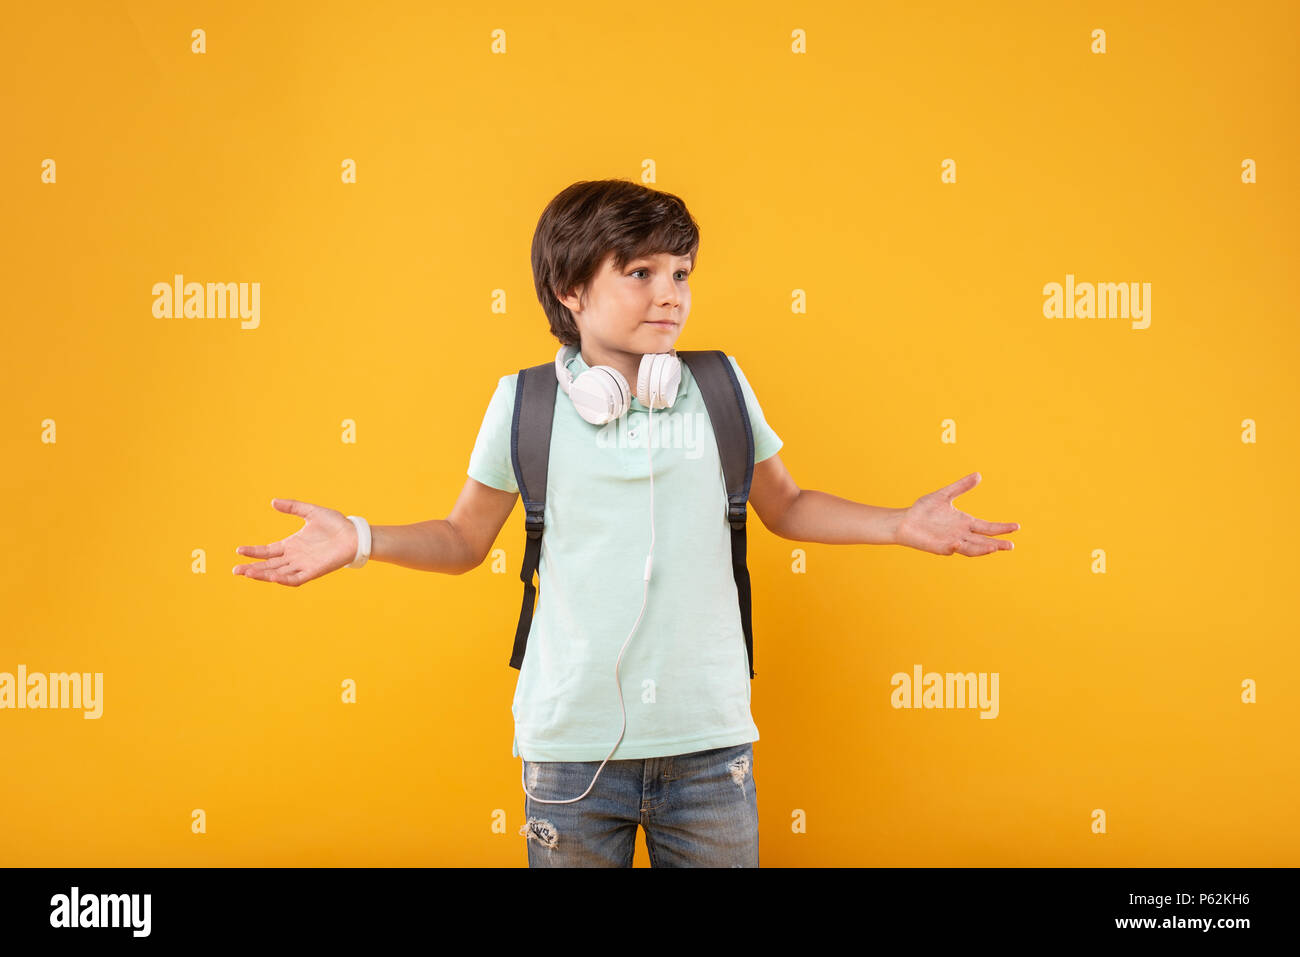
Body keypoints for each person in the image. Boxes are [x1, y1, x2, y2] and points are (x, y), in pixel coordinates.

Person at [232, 179, 1020, 867]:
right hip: (570, 755)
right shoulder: (525, 404)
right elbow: (463, 539)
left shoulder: (717, 385)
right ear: (571, 290)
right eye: (639, 273)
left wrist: (901, 524)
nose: (668, 293)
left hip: (709, 748)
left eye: (680, 273)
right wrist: (361, 538)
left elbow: (787, 504)